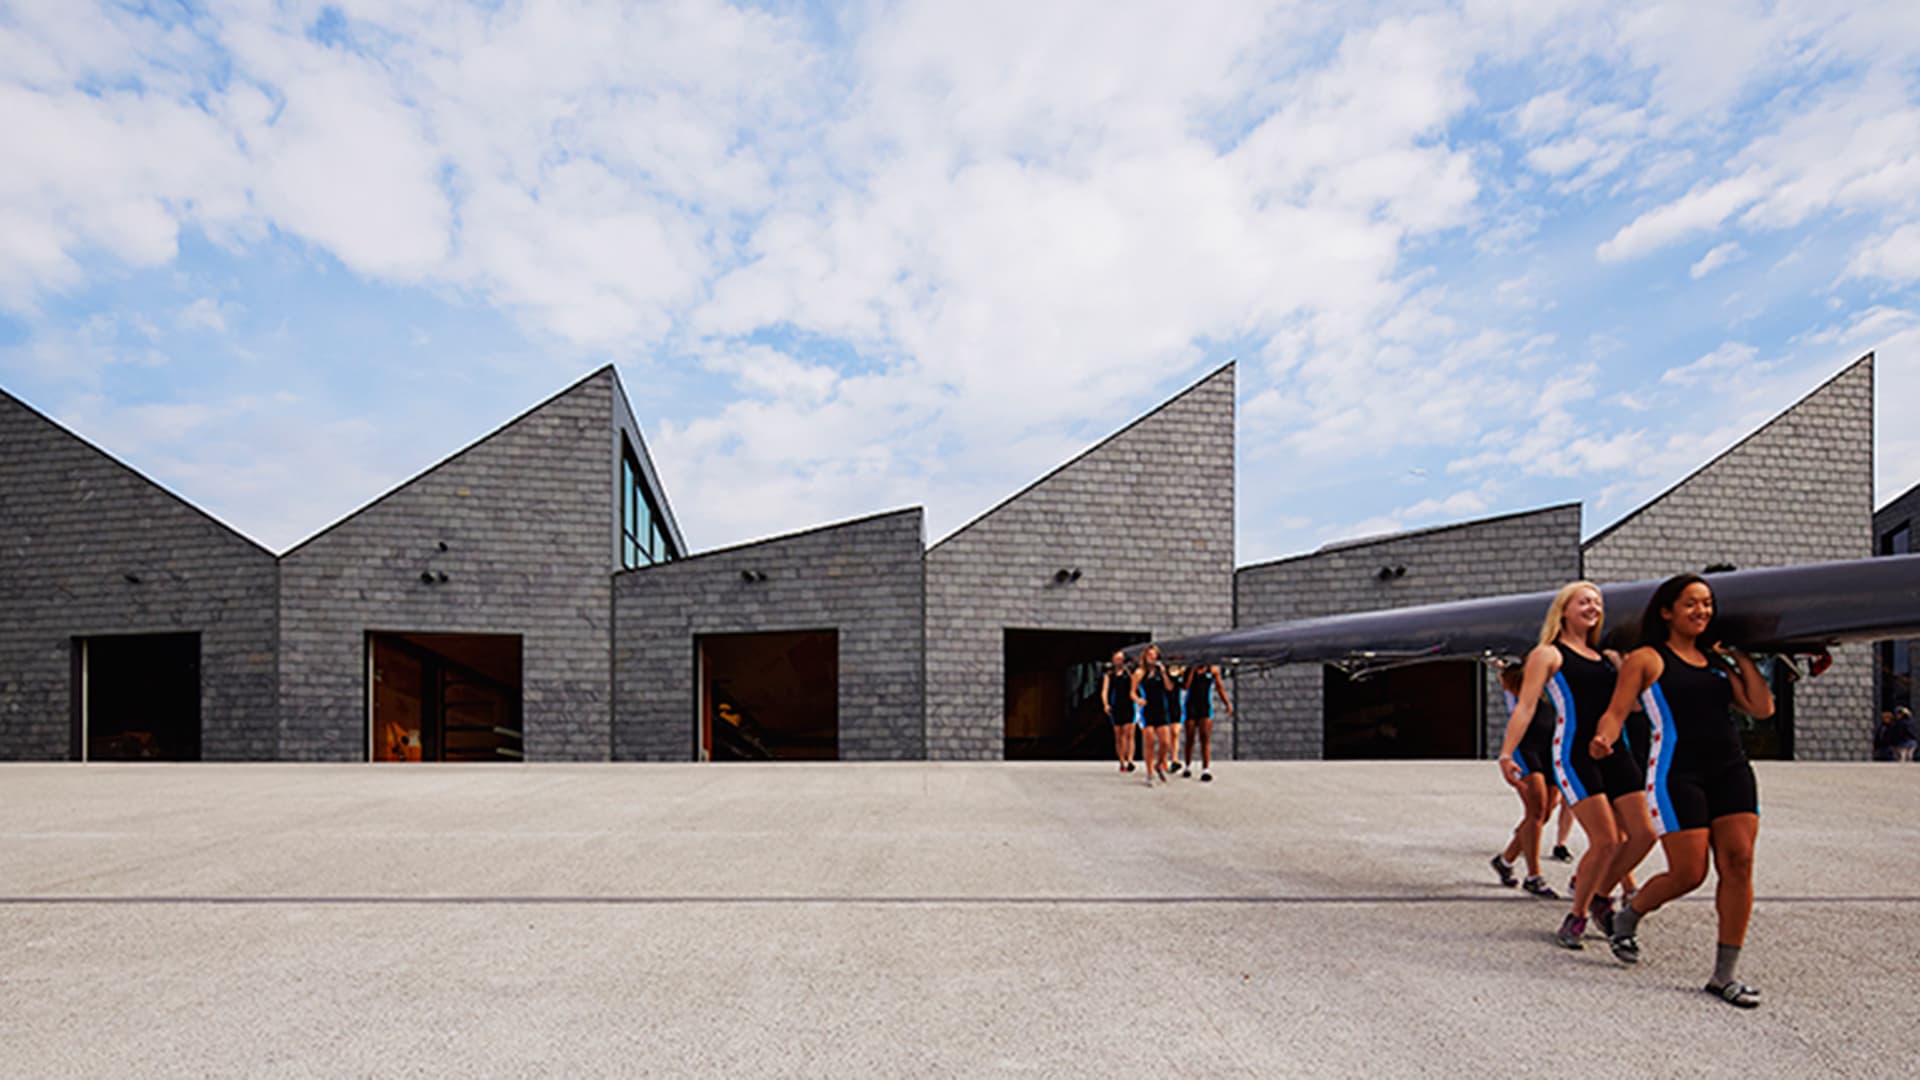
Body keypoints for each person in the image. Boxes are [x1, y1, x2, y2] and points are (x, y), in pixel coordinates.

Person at [1592, 574, 1773, 1009]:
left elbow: (1761, 708)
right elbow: (1616, 711)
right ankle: (1627, 918)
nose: (1702, 611)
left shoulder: (1716, 663)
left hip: (1731, 769)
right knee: (1689, 872)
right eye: (1691, 603)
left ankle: (1723, 976)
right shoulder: (1647, 659)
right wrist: (1604, 739)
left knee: (1739, 863)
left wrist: (1739, 656)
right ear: (1667, 611)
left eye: (1708, 604)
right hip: (1678, 771)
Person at [1500, 580, 1656, 951]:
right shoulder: (1548, 654)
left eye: (1598, 602)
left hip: (1615, 751)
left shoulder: (1609, 659)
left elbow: (1633, 707)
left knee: (1644, 834)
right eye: (1584, 601)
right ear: (1564, 610)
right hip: (1574, 753)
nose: (1593, 607)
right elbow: (1525, 706)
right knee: (1605, 840)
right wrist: (1507, 755)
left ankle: (1601, 895)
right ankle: (1579, 914)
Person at [1491, 661, 1559, 898]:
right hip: (1526, 745)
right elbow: (1506, 676)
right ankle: (1534, 876)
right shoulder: (1517, 680)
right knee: (1536, 810)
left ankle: (1505, 860)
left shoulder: (1556, 675)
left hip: (1552, 745)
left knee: (1546, 812)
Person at [1131, 645, 1177, 785]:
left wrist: (1163, 672)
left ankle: (1160, 764)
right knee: (1149, 742)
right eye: (1150, 655)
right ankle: (1150, 772)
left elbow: (1170, 688)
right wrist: (1138, 700)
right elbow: (1132, 692)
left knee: (1165, 742)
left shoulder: (1160, 672)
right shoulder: (1140, 673)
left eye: (1154, 655)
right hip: (1147, 710)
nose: (1152, 658)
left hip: (1161, 709)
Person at [1181, 662, 1233, 782]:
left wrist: (1227, 704)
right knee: (1190, 737)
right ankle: (1187, 766)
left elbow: (1220, 687)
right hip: (1191, 705)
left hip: (1205, 706)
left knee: (1205, 737)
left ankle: (1206, 769)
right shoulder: (1189, 669)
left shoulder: (1212, 670)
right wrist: (1193, 671)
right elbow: (1186, 686)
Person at [1102, 651, 1138, 773]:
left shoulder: (1130, 673)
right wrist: (1106, 704)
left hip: (1129, 704)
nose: (1119, 661)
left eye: (1121, 659)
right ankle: (1122, 761)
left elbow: (1136, 684)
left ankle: (1130, 760)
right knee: (1119, 735)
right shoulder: (1109, 675)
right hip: (1116, 705)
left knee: (1129, 733)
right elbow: (1105, 690)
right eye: (1116, 659)